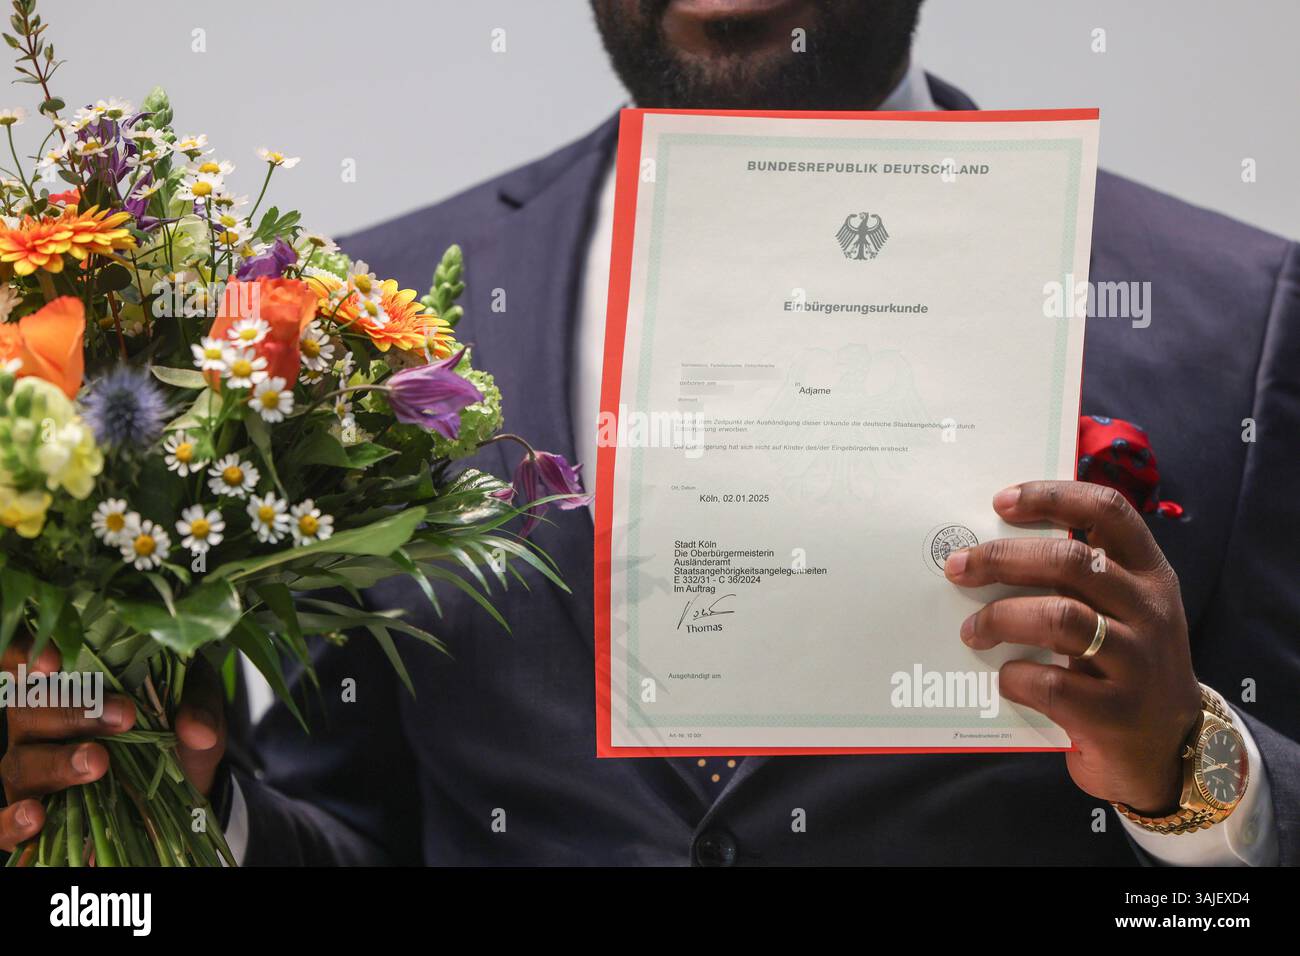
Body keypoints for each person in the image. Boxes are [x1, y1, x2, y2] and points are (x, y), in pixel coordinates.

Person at [4, 0, 1298, 865]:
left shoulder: (1237, 315)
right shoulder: (373, 324)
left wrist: (1189, 762)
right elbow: (362, 826)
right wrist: (185, 803)